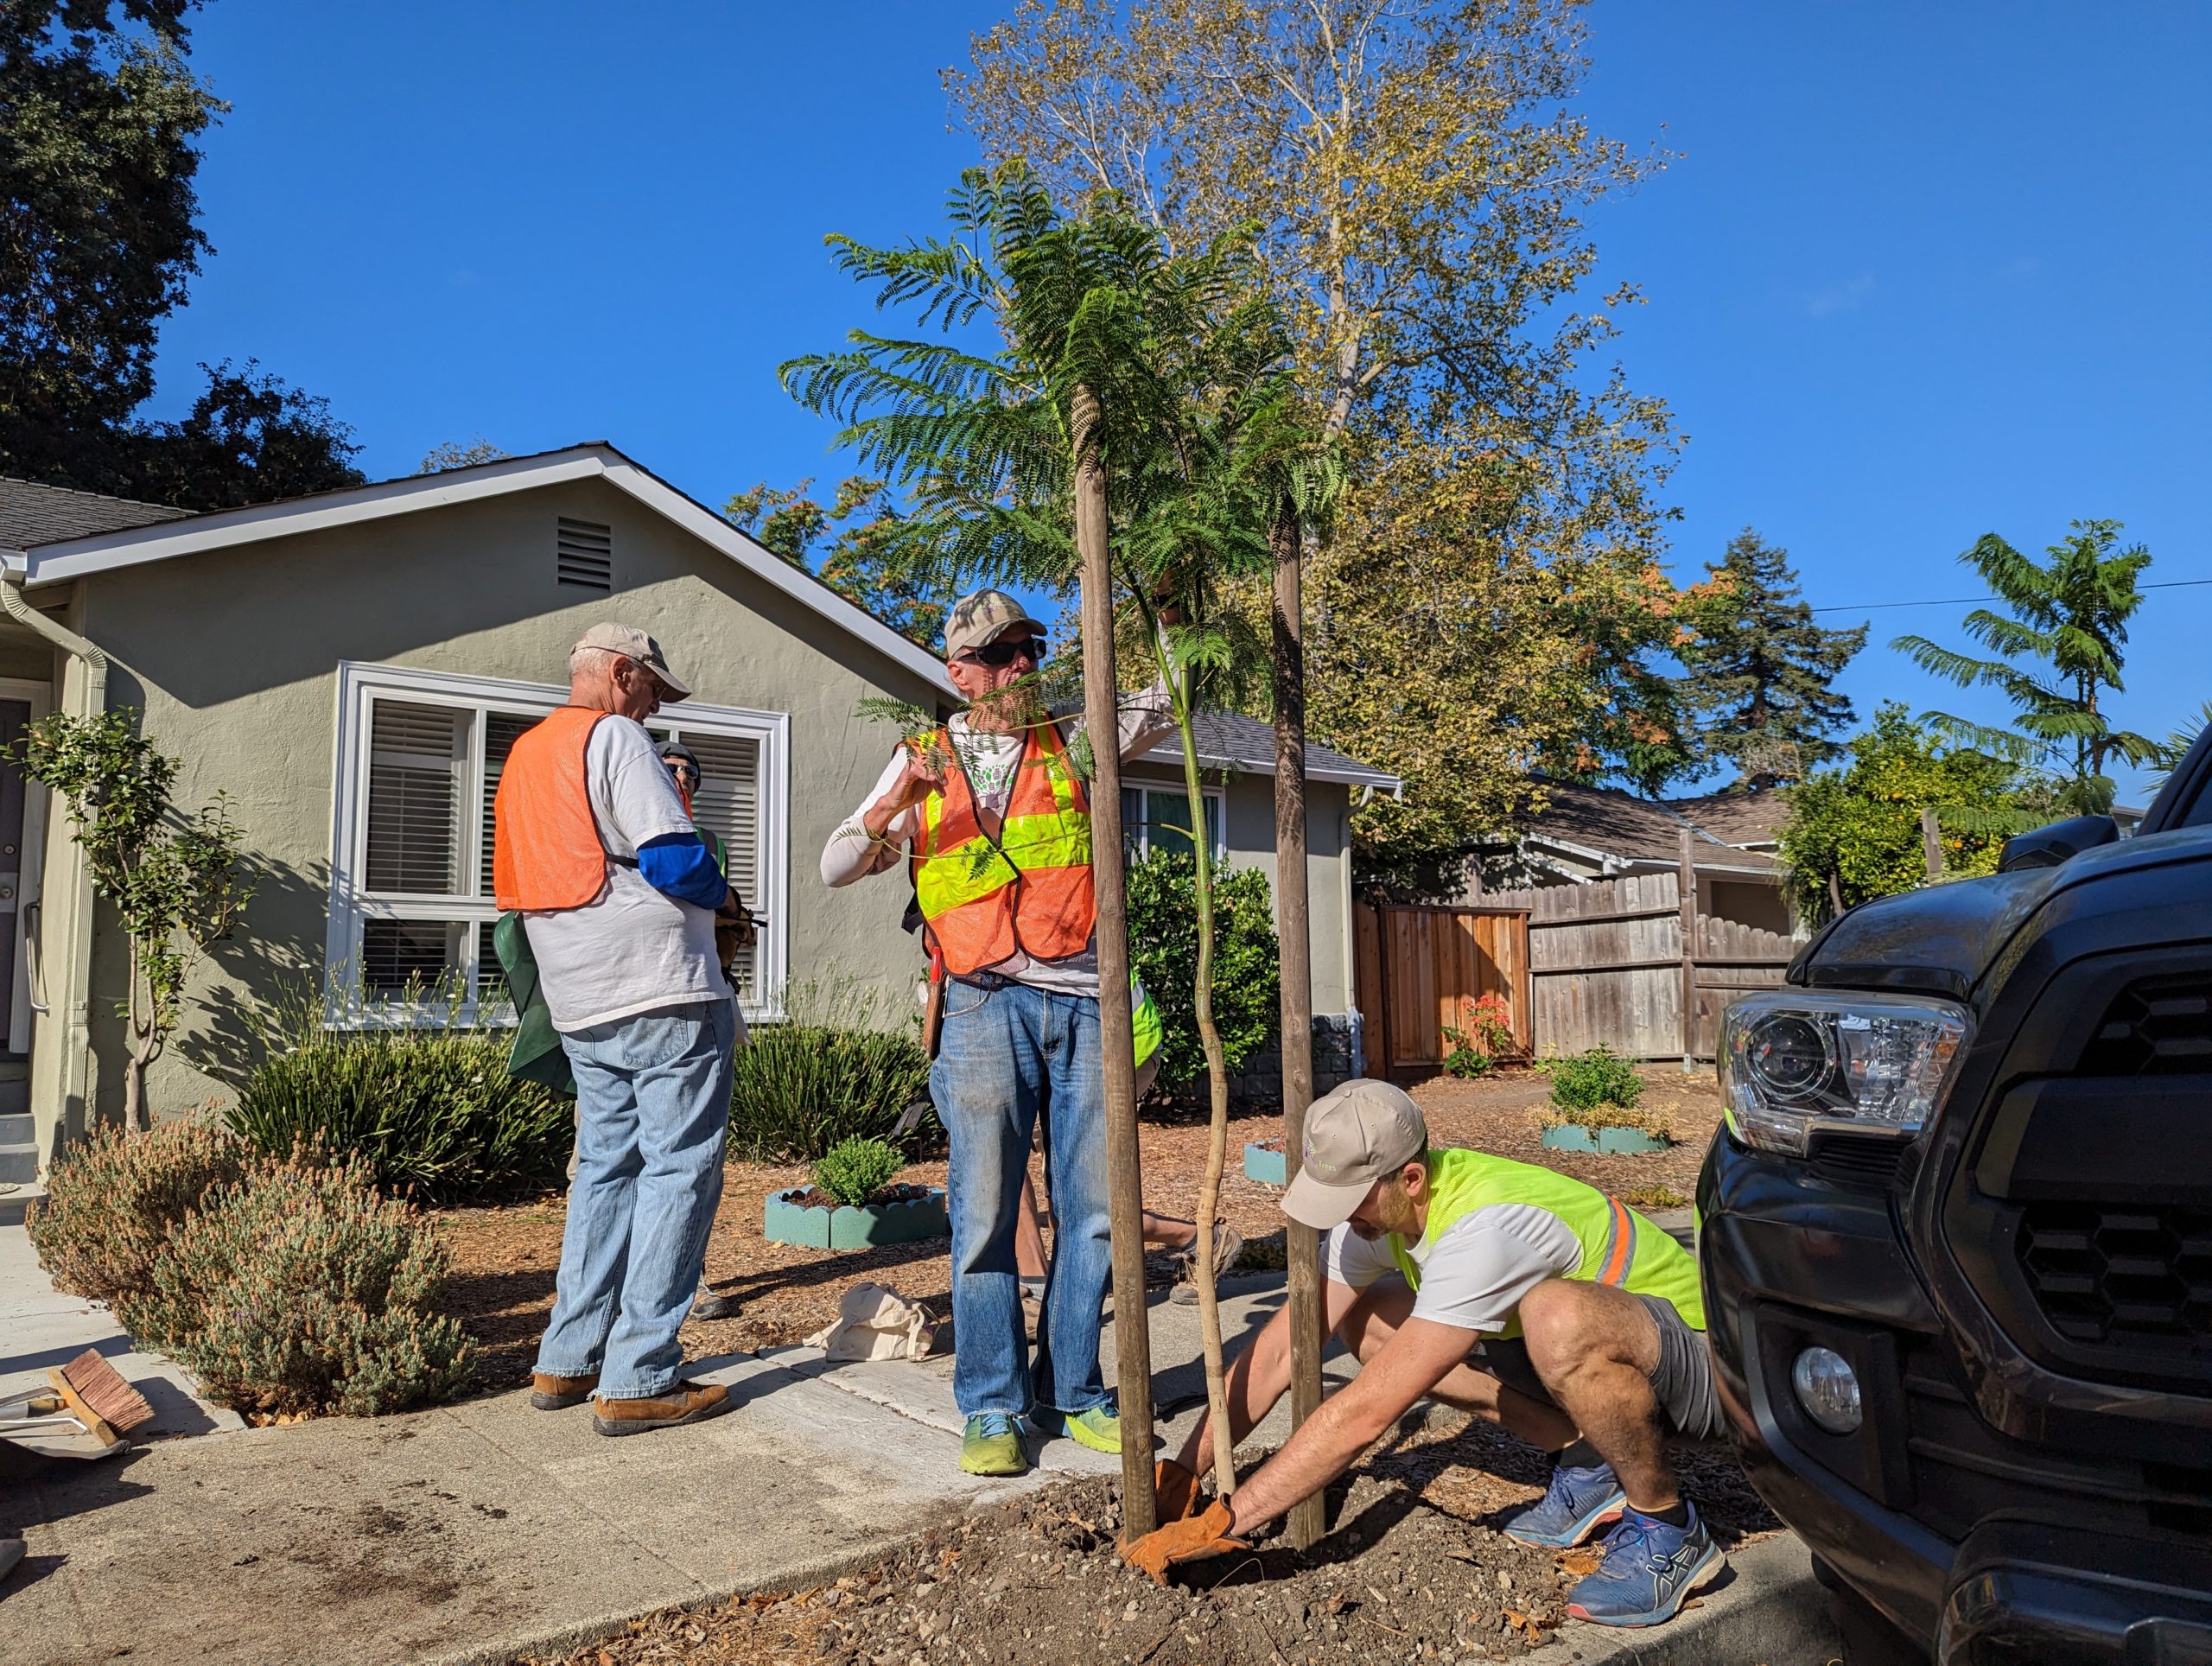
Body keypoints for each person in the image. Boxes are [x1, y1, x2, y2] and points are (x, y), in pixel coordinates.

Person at [1122, 1078, 1726, 1630]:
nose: (1343, 1218)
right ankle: (1588, 1462)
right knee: (1368, 1314)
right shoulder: (1382, 1216)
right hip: (1591, 1372)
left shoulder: (1485, 1228)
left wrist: (1229, 1520)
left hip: (1700, 1374)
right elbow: (1284, 1347)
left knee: (1555, 1317)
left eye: (1352, 1200)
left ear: (1410, 1179)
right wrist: (1187, 1468)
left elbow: (1366, 1413)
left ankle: (1667, 1526)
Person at [821, 588, 1175, 1478]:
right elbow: (835, 866)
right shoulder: (922, 755)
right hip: (978, 1002)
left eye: (1027, 650)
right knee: (982, 1215)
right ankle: (991, 1403)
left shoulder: (1077, 736)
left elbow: (1168, 697)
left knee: (1093, 1215)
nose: (1019, 666)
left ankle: (1074, 1391)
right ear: (960, 671)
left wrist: (1163, 605)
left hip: (1085, 998)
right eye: (999, 653)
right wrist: (890, 805)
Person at [495, 624, 749, 1437]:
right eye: (649, 688)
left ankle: (567, 1358)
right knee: (680, 1169)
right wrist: (729, 902)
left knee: (604, 1167)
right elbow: (674, 858)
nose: (651, 706)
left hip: (577, 996)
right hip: (659, 986)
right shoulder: (616, 737)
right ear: (618, 673)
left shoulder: (527, 755)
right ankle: (640, 1373)